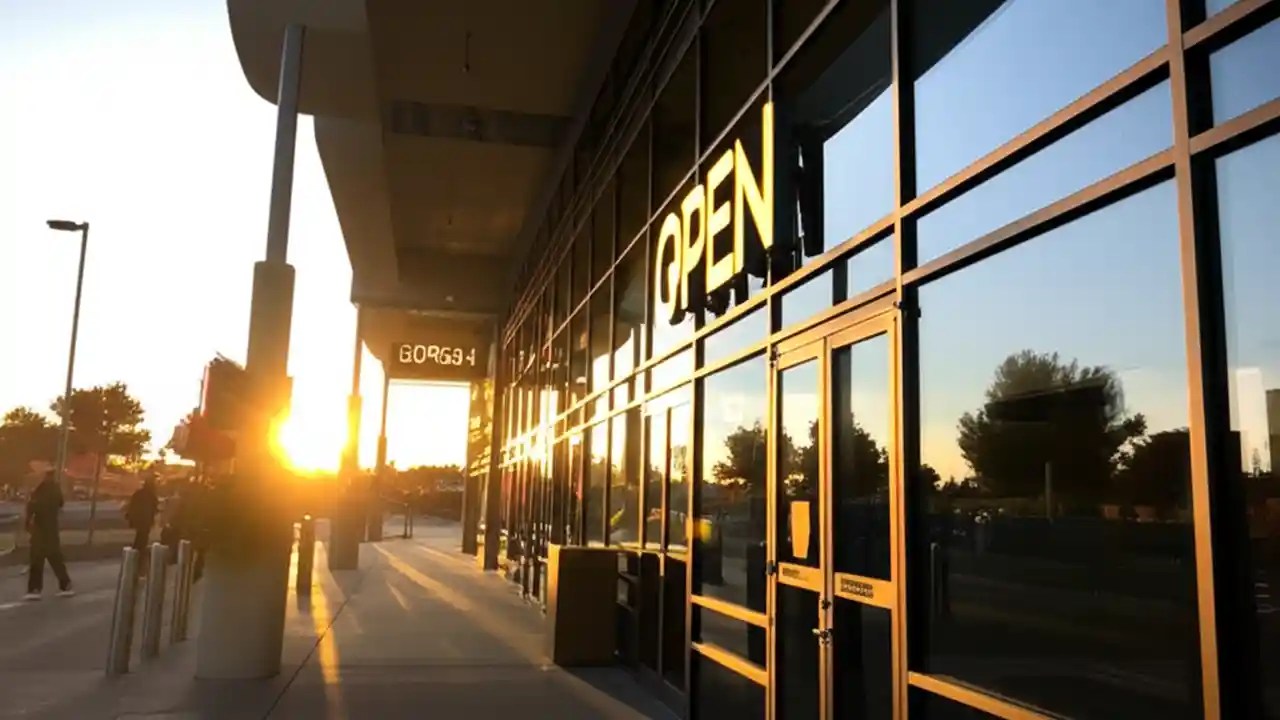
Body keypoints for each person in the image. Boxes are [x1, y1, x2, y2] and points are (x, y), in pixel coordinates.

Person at [24, 471, 73, 600]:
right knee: (51, 558)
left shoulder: (42, 491)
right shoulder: (53, 490)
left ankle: (35, 589)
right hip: (48, 529)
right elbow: (59, 504)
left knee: (41, 559)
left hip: (43, 529)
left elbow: (32, 507)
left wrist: (28, 523)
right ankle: (65, 584)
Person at [126, 474, 159, 574]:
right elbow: (154, 507)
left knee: (140, 535)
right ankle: (139, 553)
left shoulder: (139, 493)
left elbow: (132, 504)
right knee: (143, 536)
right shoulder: (151, 494)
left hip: (140, 519)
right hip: (145, 519)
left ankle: (136, 552)